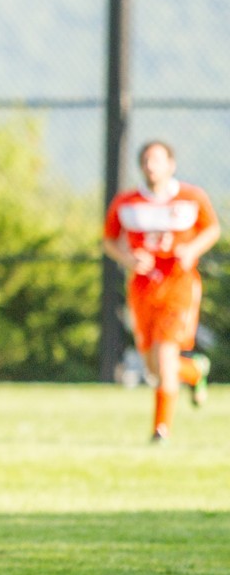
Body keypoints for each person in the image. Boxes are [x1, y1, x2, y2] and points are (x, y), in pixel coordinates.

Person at [102, 139, 221, 443]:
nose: (151, 166)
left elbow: (212, 229)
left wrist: (191, 250)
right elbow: (109, 240)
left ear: (171, 164)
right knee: (153, 367)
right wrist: (128, 258)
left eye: (157, 160)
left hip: (178, 287)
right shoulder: (127, 203)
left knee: (166, 357)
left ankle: (160, 431)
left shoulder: (191, 198)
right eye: (146, 161)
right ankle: (194, 372)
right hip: (142, 289)